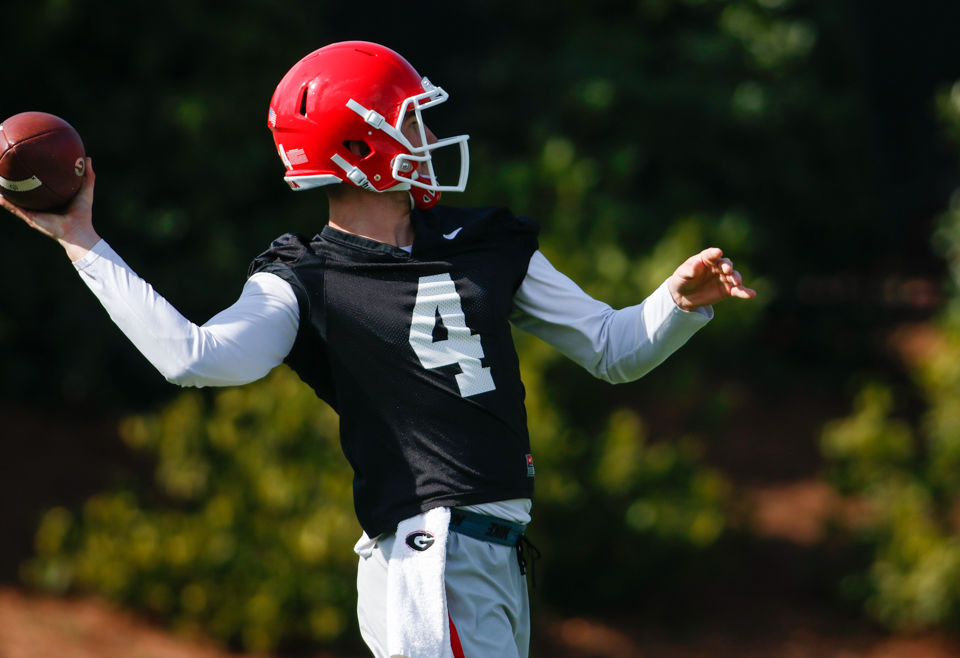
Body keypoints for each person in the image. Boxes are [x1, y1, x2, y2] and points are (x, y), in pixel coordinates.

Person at [1, 41, 755, 658]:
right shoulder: (303, 277)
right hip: (433, 558)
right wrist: (82, 241)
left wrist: (677, 303)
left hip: (491, 559)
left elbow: (610, 347)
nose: (428, 137)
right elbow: (195, 358)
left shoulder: (483, 241)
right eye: (412, 122)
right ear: (362, 145)